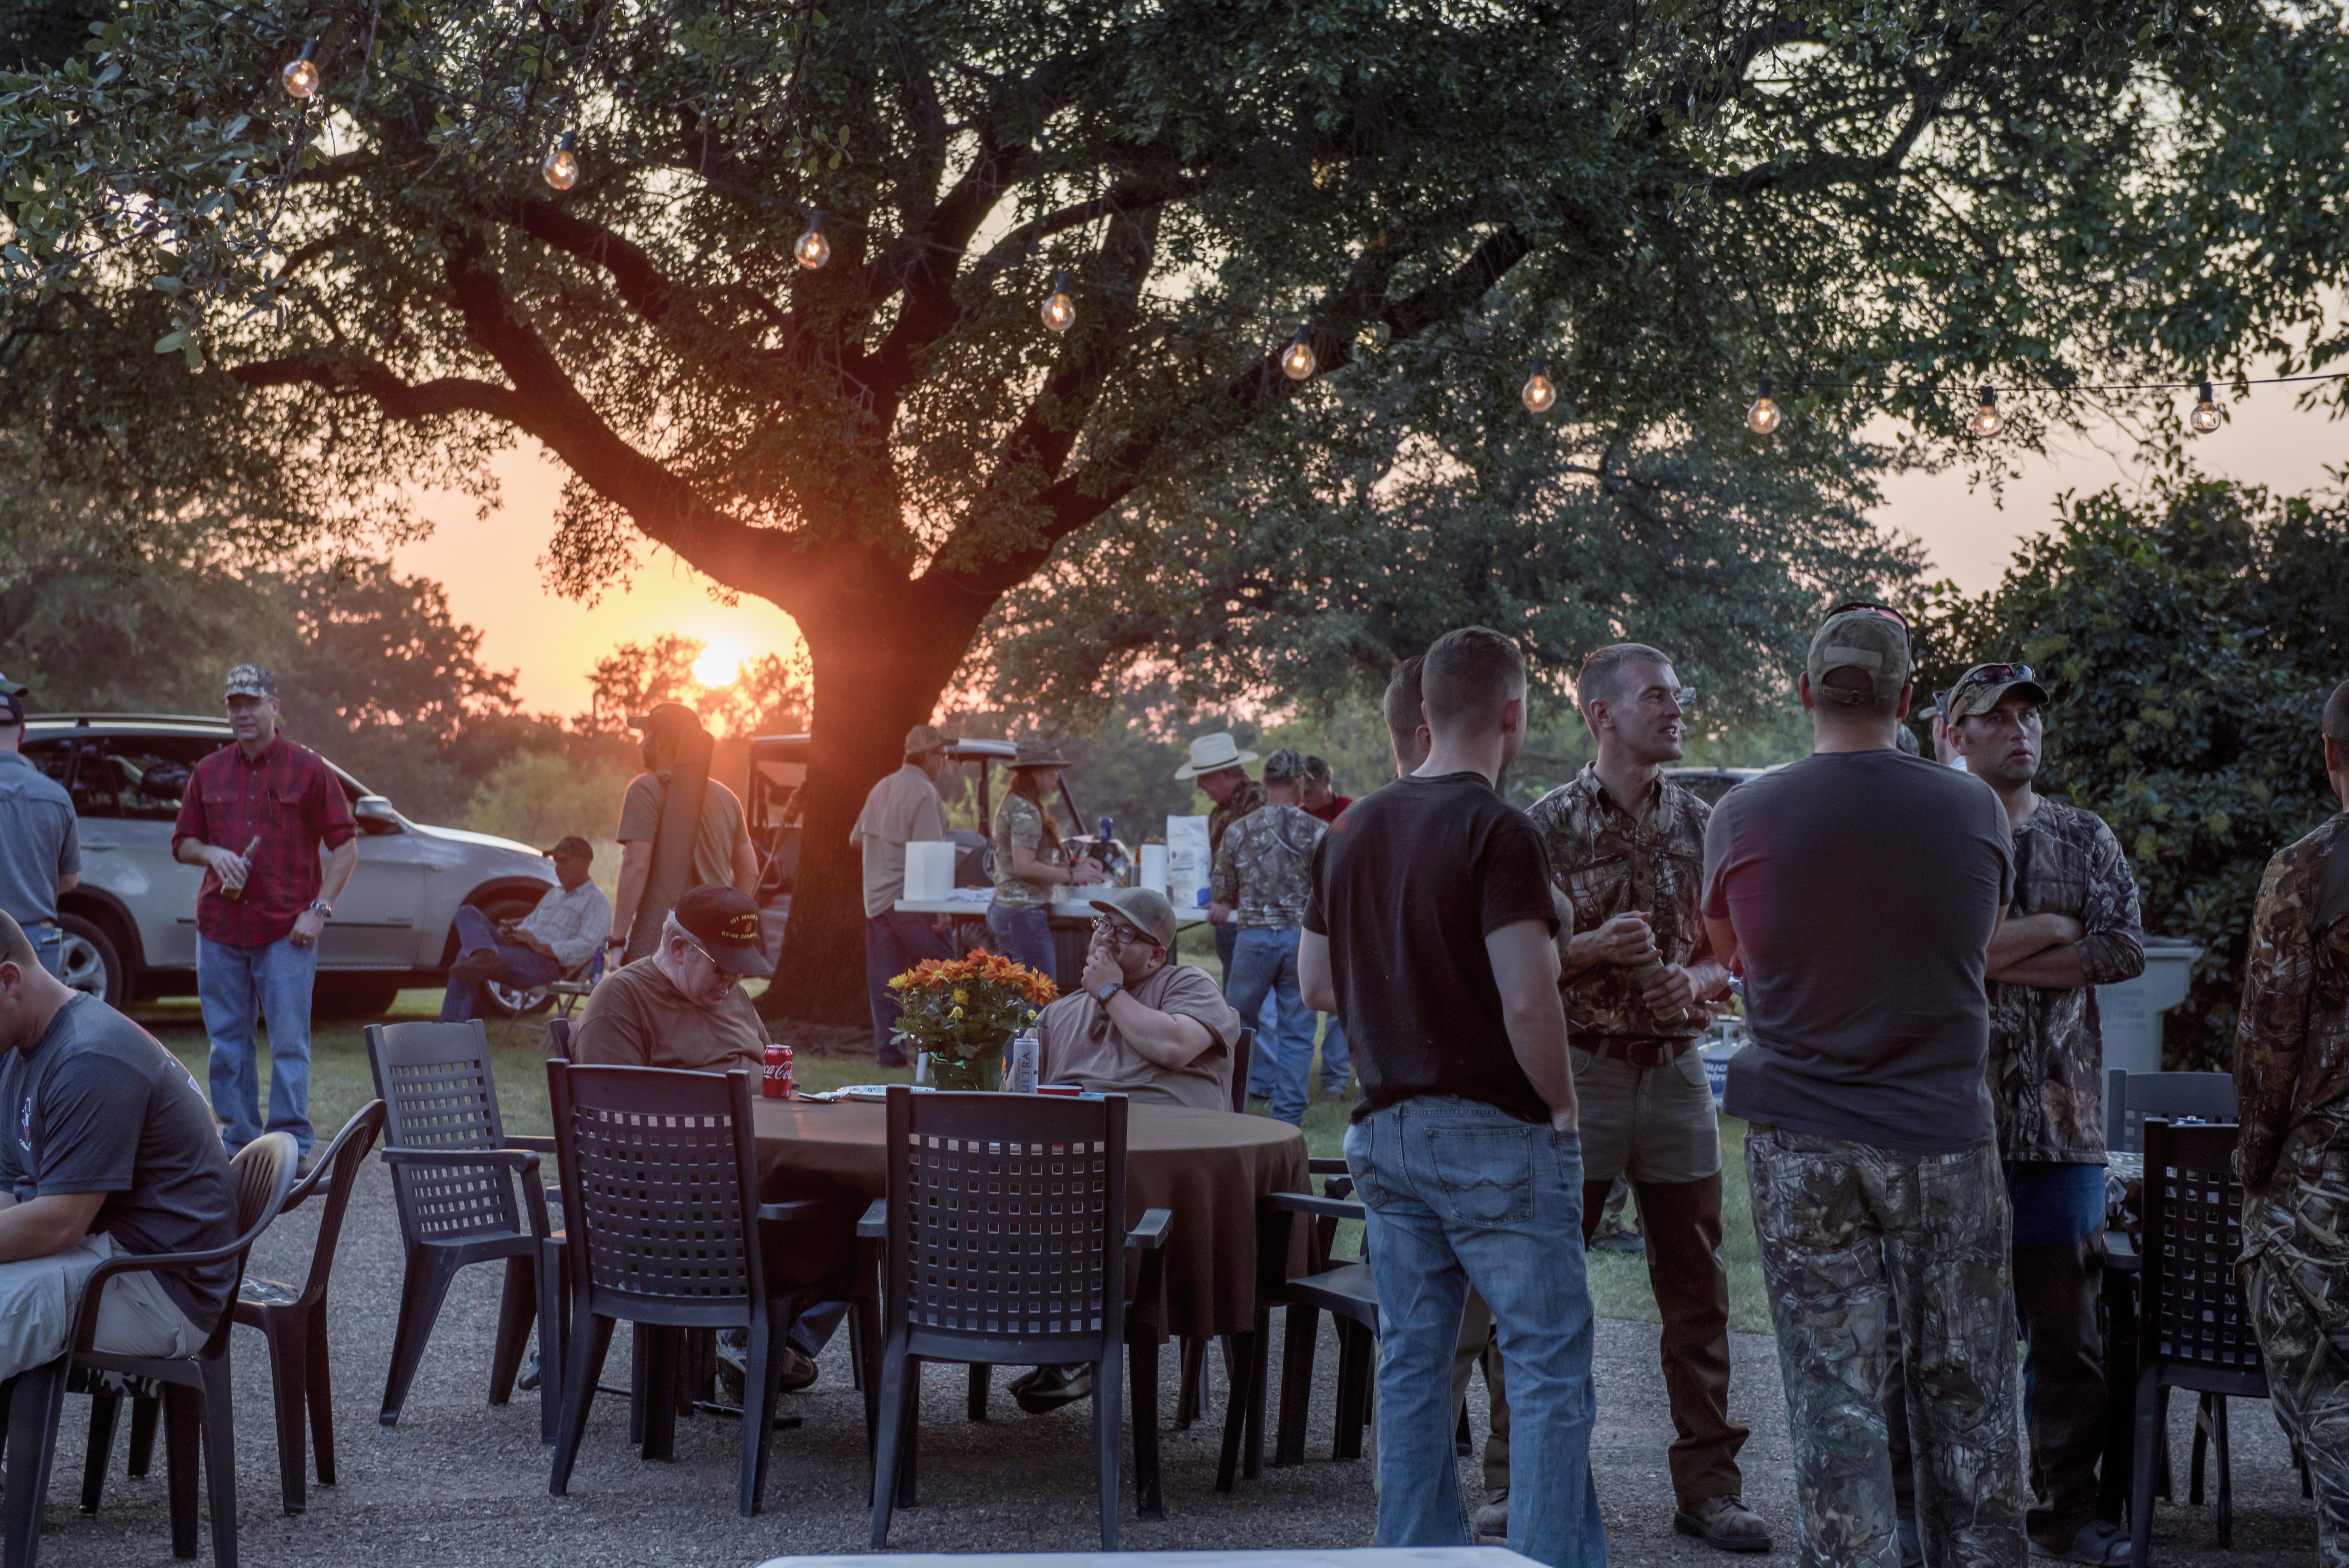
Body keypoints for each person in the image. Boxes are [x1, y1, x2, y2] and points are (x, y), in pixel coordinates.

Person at [1701, 604, 2023, 1568]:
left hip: (1801, 1134)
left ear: (1804, 690)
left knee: (1831, 1389)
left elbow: (1731, 955)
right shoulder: (1972, 807)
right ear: (1909, 697)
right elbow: (1977, 935)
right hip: (1940, 1131)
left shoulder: (1741, 813)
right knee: (1966, 1382)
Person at [1302, 625, 1604, 1568]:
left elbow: (1315, 983)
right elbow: (1528, 991)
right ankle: (1547, 1557)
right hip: (1494, 1130)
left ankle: (1413, 1556)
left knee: (1411, 1362)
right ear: (1513, 714)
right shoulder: (1498, 829)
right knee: (1548, 1362)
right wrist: (1561, 1107)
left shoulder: (1349, 827)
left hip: (1383, 1129)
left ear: (1423, 714)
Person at [1516, 643, 1764, 1554]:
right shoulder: (1541, 827)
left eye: (1678, 692)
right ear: (1599, 714)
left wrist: (1699, 983)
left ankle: (1710, 1489)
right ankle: (1525, 1479)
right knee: (1545, 1281)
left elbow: (1731, 955)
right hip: (1577, 1070)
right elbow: (1506, 963)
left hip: (1676, 1075)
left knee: (1696, 1287)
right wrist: (1588, 950)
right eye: (1655, 696)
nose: (1675, 709)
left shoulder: (1706, 822)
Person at [1901, 662, 2145, 1567]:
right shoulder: (1928, 836)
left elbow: (2119, 948)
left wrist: (1990, 949)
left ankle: (2067, 1516)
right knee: (1939, 1337)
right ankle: (1938, 1513)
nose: (2019, 730)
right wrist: (2050, 928)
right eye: (1995, 717)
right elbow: (1920, 954)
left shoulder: (2084, 837)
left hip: (2059, 1128)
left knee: (2068, 1343)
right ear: (1951, 734)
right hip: (1945, 1128)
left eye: (2029, 715)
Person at [0, 911, 240, 1381]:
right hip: (103, 1256)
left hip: (158, 1287)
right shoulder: (17, 1057)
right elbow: (11, 1193)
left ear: (9, 980)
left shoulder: (90, 1057)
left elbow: (59, 1223)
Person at [2236, 675, 2349, 1568]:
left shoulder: (2307, 870)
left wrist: (2253, 1167)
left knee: (2325, 1396)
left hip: (2323, 1189)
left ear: (2329, 755)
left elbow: (2267, 1042)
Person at [171, 664, 357, 1159]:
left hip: (286, 929)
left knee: (289, 1042)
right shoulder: (208, 771)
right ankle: (239, 1144)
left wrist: (320, 909)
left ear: (275, 706)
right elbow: (183, 843)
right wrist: (212, 854)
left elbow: (346, 847)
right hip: (219, 926)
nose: (242, 712)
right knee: (227, 1043)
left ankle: (290, 1145)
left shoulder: (308, 768)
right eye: (234, 704)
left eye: (252, 702)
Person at [1038, 886, 1244, 1110]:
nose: (1107, 937)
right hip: (1075, 1141)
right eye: (1105, 924)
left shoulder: (1189, 984)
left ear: (1156, 956)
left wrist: (1109, 991)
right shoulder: (1054, 1015)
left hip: (1171, 1137)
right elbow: (1018, 1095)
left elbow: (1174, 1049)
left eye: (1126, 932)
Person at [1211, 750, 1327, 1126]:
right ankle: (1288, 1117)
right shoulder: (1318, 832)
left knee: (1235, 1028)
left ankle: (1228, 1106)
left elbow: (1221, 891)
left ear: (1264, 784)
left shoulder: (1239, 830)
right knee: (1298, 1032)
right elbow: (1332, 889)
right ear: (1299, 784)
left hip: (1253, 940)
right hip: (1300, 941)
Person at [607, 702, 759, 968]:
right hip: (713, 942)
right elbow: (750, 872)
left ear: (662, 739)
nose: (640, 745)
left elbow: (636, 866)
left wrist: (617, 941)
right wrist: (726, 925)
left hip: (661, 940)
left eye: (645, 736)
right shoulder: (728, 798)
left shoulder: (646, 789)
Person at [574, 884, 771, 1073]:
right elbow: (613, 1101)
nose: (733, 978)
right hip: (709, 1108)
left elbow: (779, 1076)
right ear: (679, 949)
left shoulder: (734, 994)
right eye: (722, 966)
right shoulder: (621, 998)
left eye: (740, 967)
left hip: (771, 1107)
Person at [854, 725, 958, 1066]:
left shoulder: (881, 788)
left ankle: (891, 1057)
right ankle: (950, 1051)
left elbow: (856, 839)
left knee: (888, 982)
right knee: (948, 974)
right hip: (909, 900)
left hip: (876, 900)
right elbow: (929, 855)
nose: (945, 763)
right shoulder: (924, 793)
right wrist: (941, 909)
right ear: (928, 756)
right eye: (943, 756)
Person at [438, 838, 611, 1025]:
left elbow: (585, 947)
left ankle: (450, 1032)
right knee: (467, 913)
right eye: (556, 861)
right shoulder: (554, 894)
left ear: (584, 863)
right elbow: (530, 924)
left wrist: (539, 946)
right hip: (518, 952)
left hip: (545, 964)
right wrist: (515, 934)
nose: (557, 867)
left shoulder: (597, 902)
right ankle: (485, 955)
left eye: (563, 861)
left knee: (467, 958)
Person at [987, 740, 1102, 982]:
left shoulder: (1015, 803)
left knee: (1013, 1002)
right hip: (1023, 915)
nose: (1057, 777)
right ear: (1037, 772)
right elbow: (1025, 867)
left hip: (1009, 912)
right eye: (1053, 770)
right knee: (1039, 998)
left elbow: (1024, 862)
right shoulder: (1025, 810)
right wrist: (1074, 875)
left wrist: (1073, 867)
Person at [0, 675, 79, 980]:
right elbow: (69, 880)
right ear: (22, 733)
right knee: (40, 1030)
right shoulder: (57, 798)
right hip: (36, 942)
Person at [1174, 731, 1265, 983]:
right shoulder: (1219, 812)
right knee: (1235, 995)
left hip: (1249, 921)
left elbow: (1255, 861)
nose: (1200, 787)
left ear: (1226, 773)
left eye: (1204, 778)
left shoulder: (1256, 801)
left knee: (1249, 1000)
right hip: (1227, 917)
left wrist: (1226, 899)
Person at [1301, 755, 1353, 823]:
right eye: (1300, 791)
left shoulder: (1351, 811)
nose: (1304, 796)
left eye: (1308, 790)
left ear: (1326, 780)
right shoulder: (1294, 817)